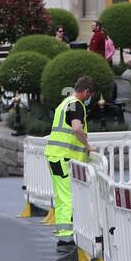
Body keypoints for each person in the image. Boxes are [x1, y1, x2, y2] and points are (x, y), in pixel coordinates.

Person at [43, 76, 95, 249]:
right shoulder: (76, 105)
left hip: (55, 156)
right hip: (64, 158)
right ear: (86, 92)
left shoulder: (65, 102)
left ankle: (63, 236)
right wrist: (88, 146)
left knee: (62, 197)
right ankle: (66, 240)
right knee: (68, 198)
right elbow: (77, 128)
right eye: (90, 95)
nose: (90, 99)